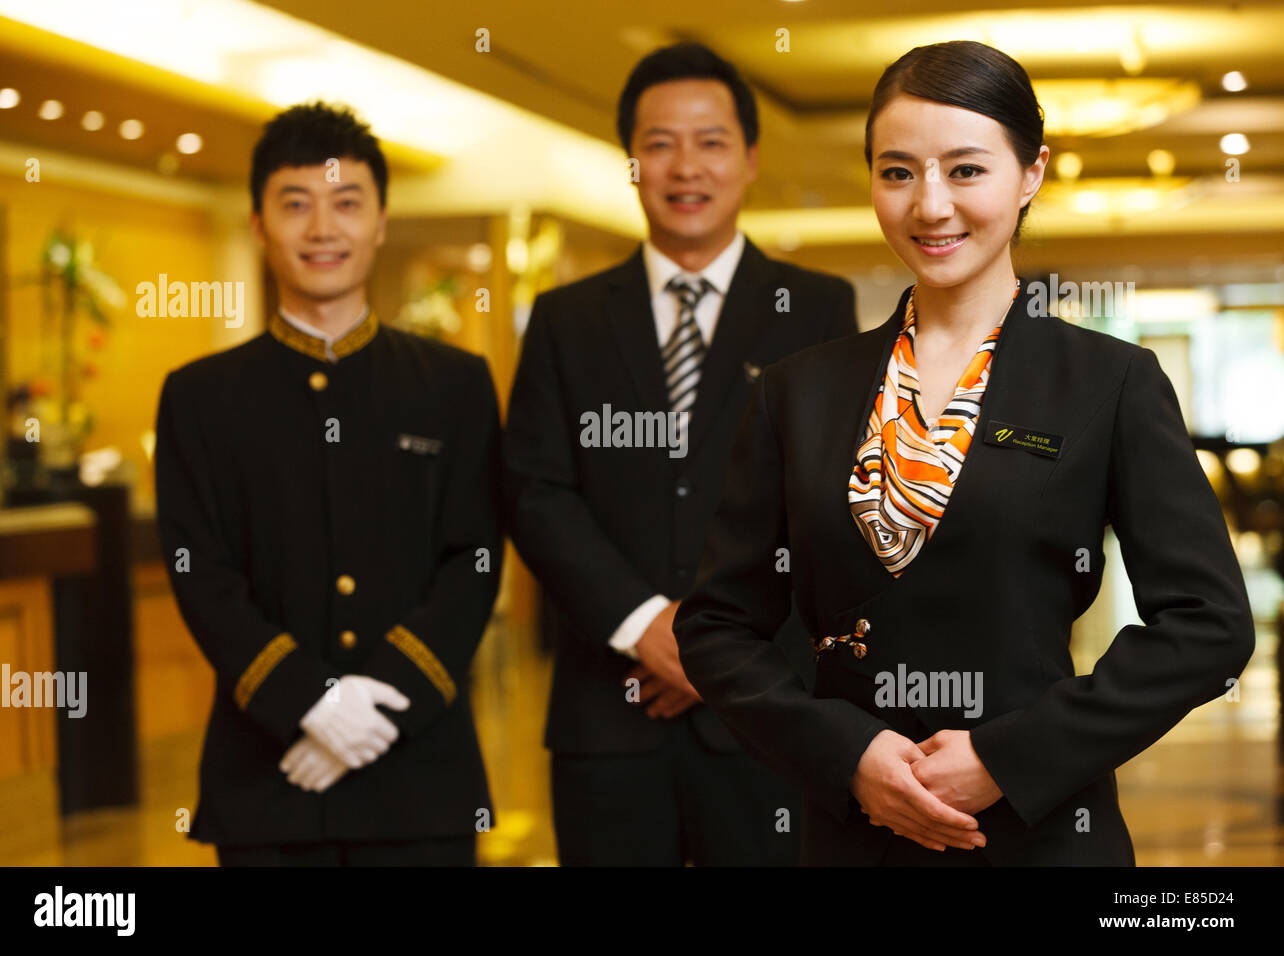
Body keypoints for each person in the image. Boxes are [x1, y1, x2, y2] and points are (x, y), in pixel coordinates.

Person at [673, 40, 1256, 866]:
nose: (930, 205)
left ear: (1031, 175)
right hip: (853, 834)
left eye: (967, 170)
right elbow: (719, 626)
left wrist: (1005, 758)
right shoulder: (798, 391)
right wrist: (848, 754)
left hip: (1041, 831)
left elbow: (1210, 625)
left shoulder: (1109, 381)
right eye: (898, 171)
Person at [504, 43, 858, 865]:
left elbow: (834, 504)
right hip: (609, 715)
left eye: (710, 141)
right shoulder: (567, 319)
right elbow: (535, 490)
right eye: (660, 143)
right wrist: (644, 626)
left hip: (773, 716)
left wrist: (714, 653)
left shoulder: (816, 309)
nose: (685, 166)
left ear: (750, 158)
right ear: (631, 162)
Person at [154, 102, 502, 866]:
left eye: (346, 204)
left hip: (420, 778)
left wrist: (372, 705)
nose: (322, 228)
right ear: (256, 223)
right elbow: (199, 572)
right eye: (295, 204)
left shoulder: (455, 385)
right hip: (267, 782)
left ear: (379, 222)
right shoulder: (200, 396)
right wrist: (307, 700)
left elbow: (473, 562)